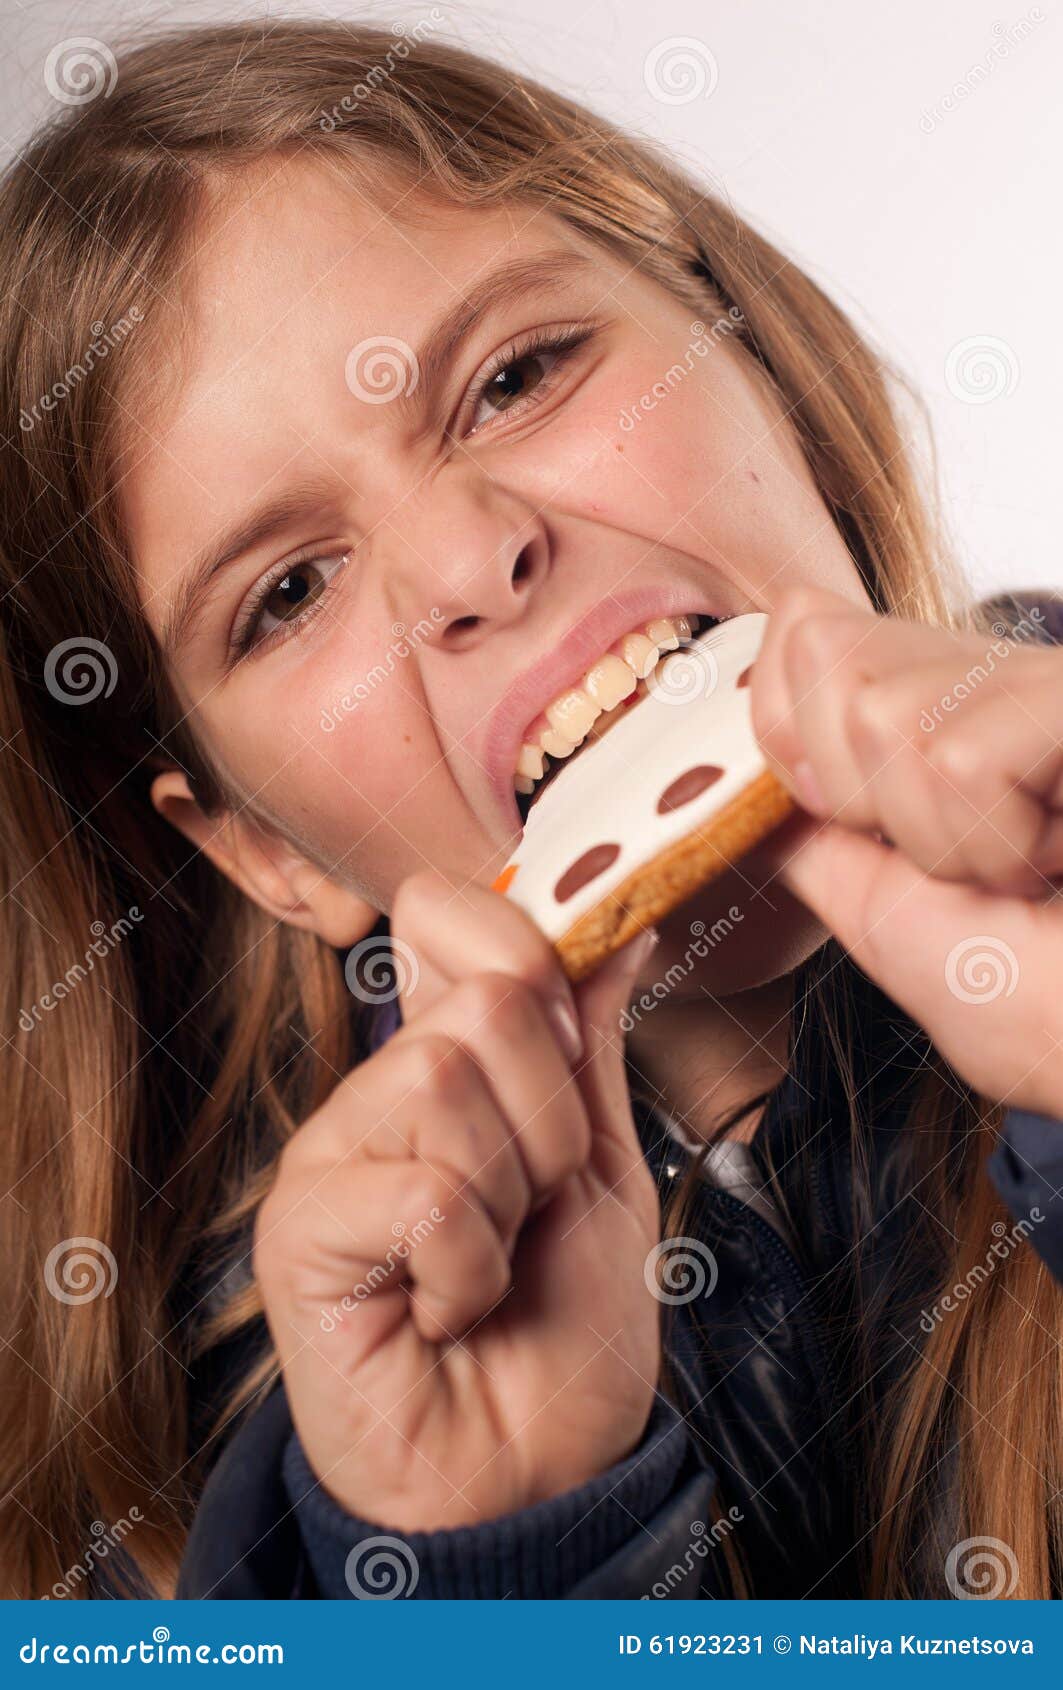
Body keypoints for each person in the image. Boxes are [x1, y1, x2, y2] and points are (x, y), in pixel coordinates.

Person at [1, 20, 1059, 1601]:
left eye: (516, 376)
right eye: (287, 590)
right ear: (268, 853)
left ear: (758, 361)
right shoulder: (264, 1524)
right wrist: (516, 1562)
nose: (466, 558)